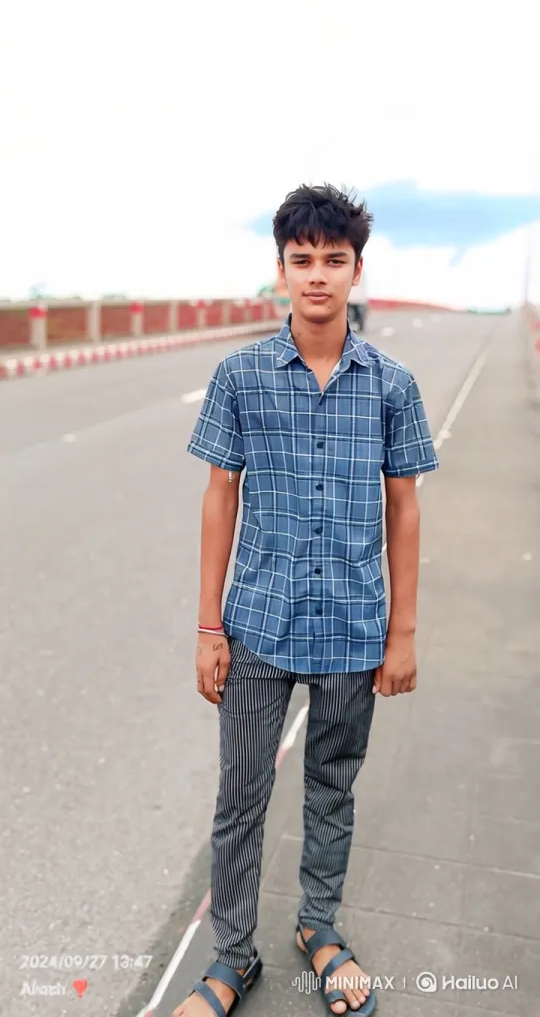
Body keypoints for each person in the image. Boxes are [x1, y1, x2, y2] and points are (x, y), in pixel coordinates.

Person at [175, 184, 438, 1017]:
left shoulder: (391, 384)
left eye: (333, 260)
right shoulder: (241, 375)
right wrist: (209, 626)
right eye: (302, 260)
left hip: (355, 631)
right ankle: (230, 959)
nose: (317, 276)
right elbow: (221, 497)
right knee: (241, 795)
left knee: (332, 787)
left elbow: (405, 507)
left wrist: (402, 636)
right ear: (280, 269)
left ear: (358, 270)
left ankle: (319, 930)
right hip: (256, 626)